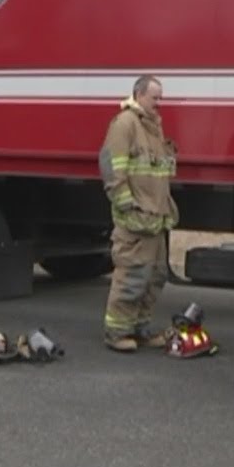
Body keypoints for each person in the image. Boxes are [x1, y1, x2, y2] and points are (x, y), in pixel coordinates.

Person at [99, 75, 179, 352]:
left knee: (154, 277)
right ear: (138, 94)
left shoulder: (152, 126)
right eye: (155, 97)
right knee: (132, 276)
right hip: (136, 219)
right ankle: (117, 332)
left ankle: (140, 329)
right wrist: (125, 205)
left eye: (160, 97)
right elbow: (111, 166)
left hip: (154, 219)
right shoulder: (124, 124)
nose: (159, 103)